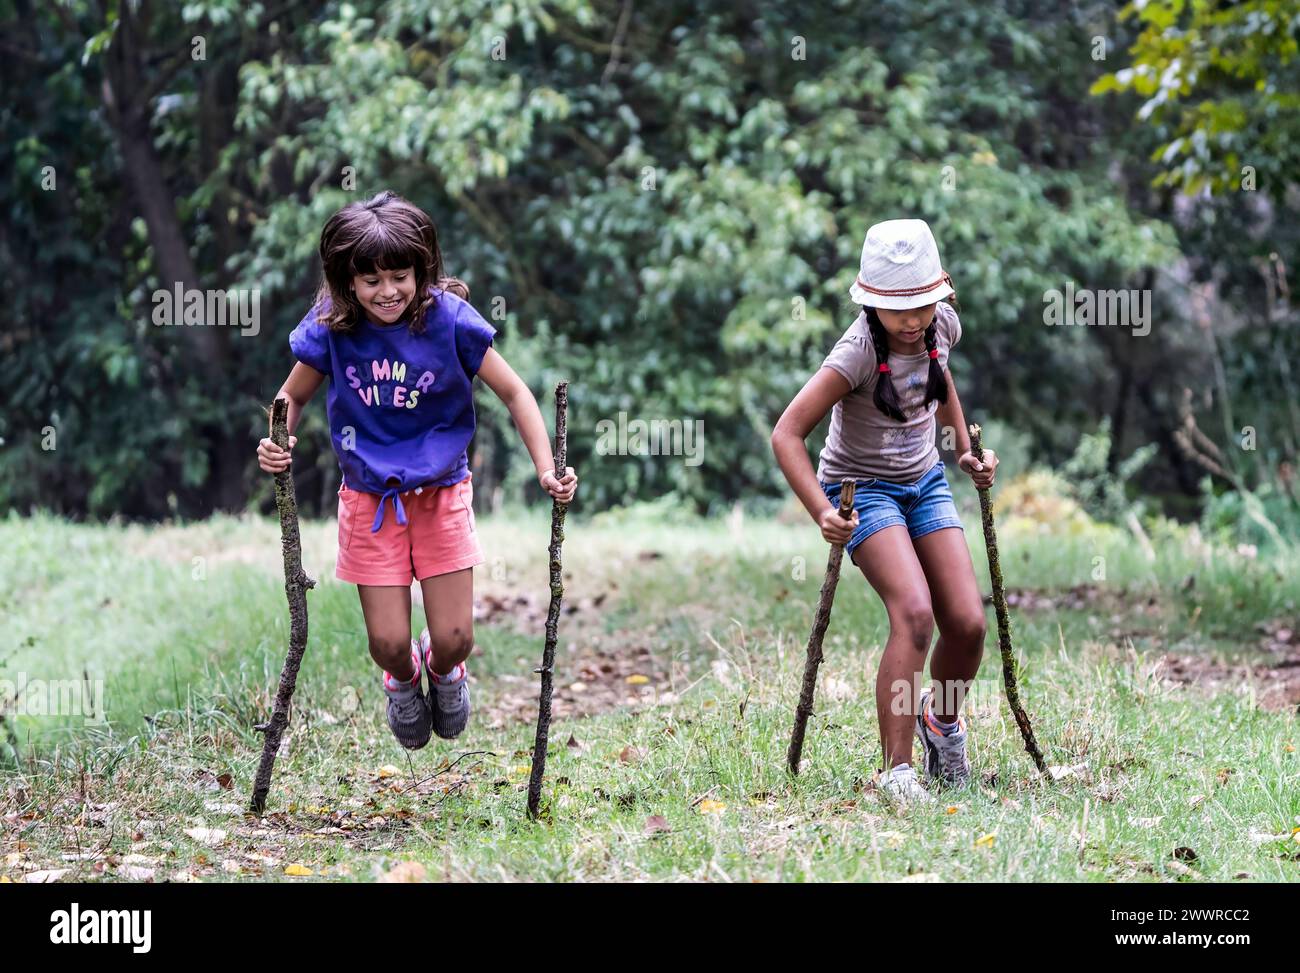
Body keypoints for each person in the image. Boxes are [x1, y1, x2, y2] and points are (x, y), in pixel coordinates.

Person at [257, 190, 577, 750]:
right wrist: (275, 443)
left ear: (421, 270)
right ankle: (402, 677)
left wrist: (548, 469)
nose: (388, 291)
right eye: (371, 280)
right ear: (346, 281)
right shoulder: (332, 327)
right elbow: (290, 400)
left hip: (442, 494)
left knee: (454, 637)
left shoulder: (450, 320)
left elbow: (516, 393)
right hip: (369, 501)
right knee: (386, 641)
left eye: (400, 276)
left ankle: (442, 669)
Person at [771, 219, 997, 804]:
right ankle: (898, 771)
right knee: (916, 613)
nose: (914, 319)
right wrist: (823, 511)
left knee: (968, 623)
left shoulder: (941, 325)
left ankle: (941, 723)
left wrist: (966, 454)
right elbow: (786, 434)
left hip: (924, 479)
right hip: (861, 488)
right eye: (899, 308)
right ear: (872, 302)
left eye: (923, 303)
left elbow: (941, 383)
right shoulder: (855, 354)